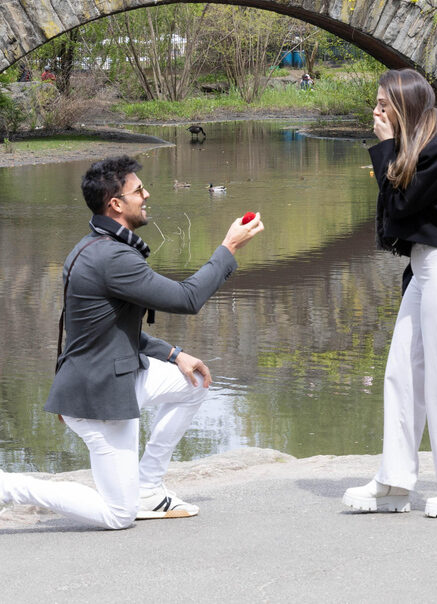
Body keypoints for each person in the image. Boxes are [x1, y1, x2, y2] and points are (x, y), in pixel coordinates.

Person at [0, 155, 263, 529]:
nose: (147, 194)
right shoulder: (111, 257)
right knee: (118, 515)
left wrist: (174, 355)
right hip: (98, 395)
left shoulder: (97, 245)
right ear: (116, 204)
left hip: (118, 375)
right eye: (139, 190)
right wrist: (228, 248)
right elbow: (186, 298)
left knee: (194, 383)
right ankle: (9, 486)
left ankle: (150, 488)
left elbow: (109, 331)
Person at [342, 69, 437, 519]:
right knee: (401, 375)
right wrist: (389, 154)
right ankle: (395, 482)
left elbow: (398, 212)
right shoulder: (414, 152)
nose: (376, 111)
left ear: (404, 107)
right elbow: (391, 222)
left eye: (383, 104)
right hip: (423, 271)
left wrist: (384, 148)